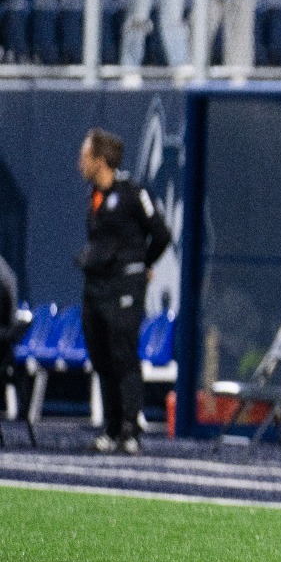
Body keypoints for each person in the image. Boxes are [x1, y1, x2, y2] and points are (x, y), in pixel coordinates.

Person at [75, 129, 173, 454]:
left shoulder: (132, 193)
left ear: (100, 161)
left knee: (122, 354)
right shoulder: (95, 196)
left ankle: (131, 429)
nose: (81, 162)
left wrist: (140, 264)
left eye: (85, 156)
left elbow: (160, 233)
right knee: (101, 356)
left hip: (124, 286)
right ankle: (112, 428)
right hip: (96, 285)